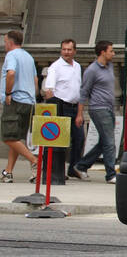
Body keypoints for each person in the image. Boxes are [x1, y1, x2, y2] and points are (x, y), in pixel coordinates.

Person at [71, 40, 117, 184]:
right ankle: (110, 174)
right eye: (111, 51)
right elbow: (83, 92)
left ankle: (81, 166)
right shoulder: (92, 70)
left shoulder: (109, 66)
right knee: (110, 142)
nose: (113, 53)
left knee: (104, 141)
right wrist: (80, 114)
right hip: (98, 108)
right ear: (103, 52)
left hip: (109, 108)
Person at [41, 38, 84, 185]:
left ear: (74, 51)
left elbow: (80, 91)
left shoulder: (77, 66)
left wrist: (80, 113)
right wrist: (55, 110)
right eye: (64, 49)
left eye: (69, 49)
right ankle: (57, 171)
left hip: (74, 106)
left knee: (79, 138)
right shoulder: (55, 67)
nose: (66, 52)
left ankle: (73, 168)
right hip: (61, 106)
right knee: (61, 141)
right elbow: (49, 90)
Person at [2, 29, 40, 183]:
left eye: (5, 42)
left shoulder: (12, 55)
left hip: (15, 99)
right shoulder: (28, 56)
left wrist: (8, 92)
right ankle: (8, 172)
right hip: (29, 101)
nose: (4, 45)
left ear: (10, 42)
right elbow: (35, 80)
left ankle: (35, 161)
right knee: (16, 138)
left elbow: (11, 73)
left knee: (8, 137)